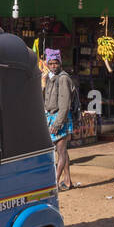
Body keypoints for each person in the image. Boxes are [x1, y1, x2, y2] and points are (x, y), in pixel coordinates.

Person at [42, 49, 76, 191]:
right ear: (47, 64)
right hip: (52, 116)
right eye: (51, 63)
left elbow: (65, 104)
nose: (53, 66)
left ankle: (54, 183)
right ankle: (67, 181)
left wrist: (57, 123)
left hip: (60, 118)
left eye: (56, 63)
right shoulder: (49, 78)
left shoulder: (63, 78)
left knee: (61, 152)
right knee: (62, 151)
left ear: (60, 63)